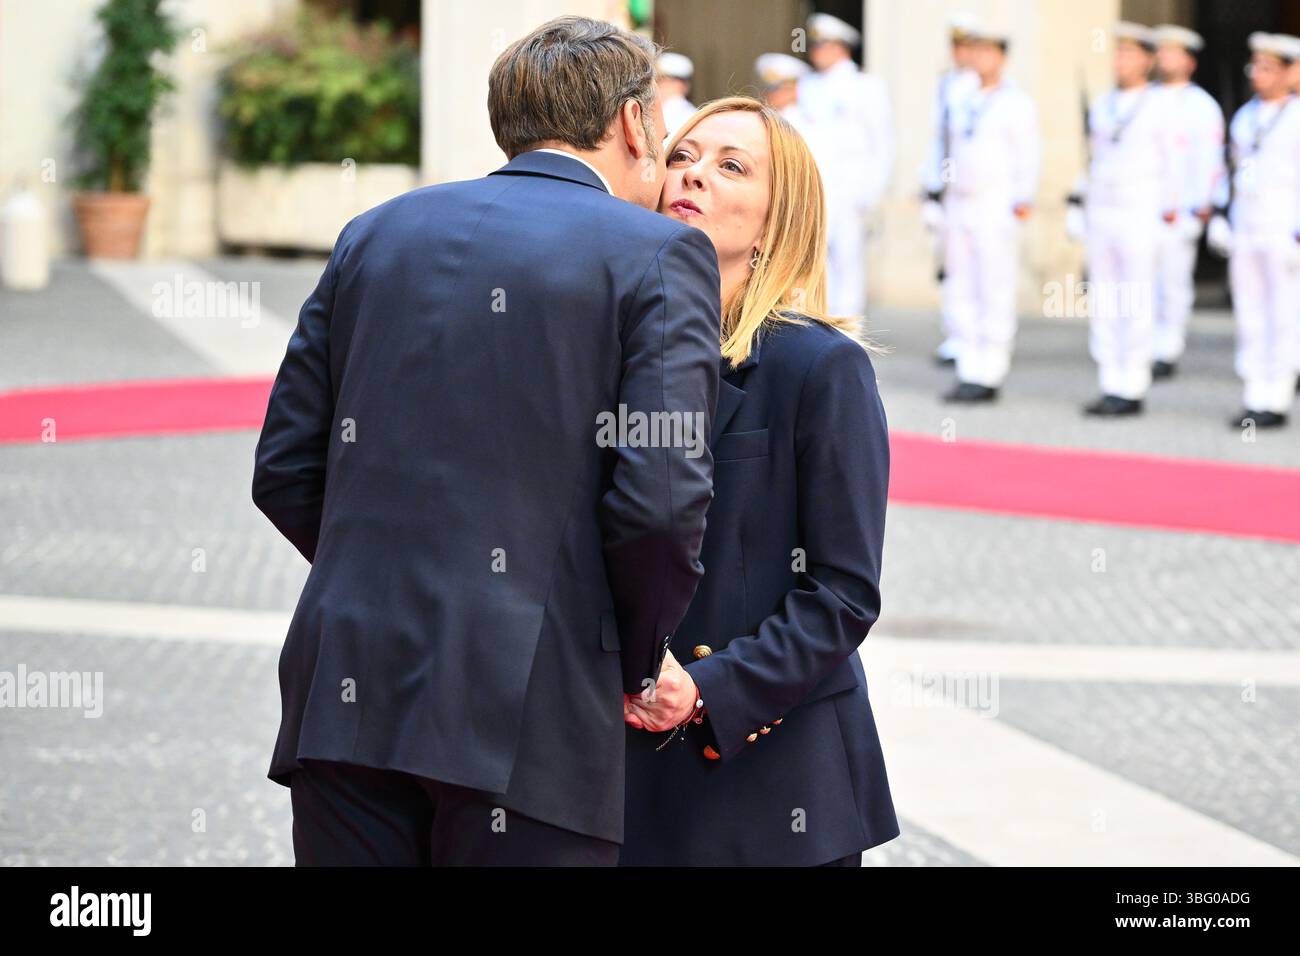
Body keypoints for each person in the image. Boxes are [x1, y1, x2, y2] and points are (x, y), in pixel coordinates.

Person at [252, 15, 722, 865]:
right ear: (632, 124)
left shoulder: (378, 232)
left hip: (348, 686)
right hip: (530, 713)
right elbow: (660, 499)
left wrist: (384, 570)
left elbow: (286, 466)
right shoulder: (658, 253)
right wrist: (631, 653)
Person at [619, 96, 900, 866]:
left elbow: (843, 591)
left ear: (778, 222)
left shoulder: (819, 367)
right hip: (614, 774)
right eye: (682, 156)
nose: (694, 173)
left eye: (730, 165)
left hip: (768, 782)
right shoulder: (610, 350)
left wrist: (710, 686)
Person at [1070, 21, 1177, 416]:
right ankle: (1109, 378)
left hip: (1139, 211)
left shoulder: (1162, 105)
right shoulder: (1104, 105)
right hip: (1103, 210)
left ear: (1148, 61)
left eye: (1130, 53)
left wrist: (1175, 216)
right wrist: (1077, 205)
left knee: (1134, 298)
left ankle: (1131, 383)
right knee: (1105, 298)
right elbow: (1092, 160)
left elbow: (1175, 166)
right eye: (1117, 52)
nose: (1121, 60)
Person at [936, 25, 1039, 403]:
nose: (980, 59)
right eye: (975, 51)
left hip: (995, 202)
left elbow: (1028, 157)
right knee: (960, 283)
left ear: (1002, 58)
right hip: (959, 201)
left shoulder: (1016, 102)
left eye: (988, 52)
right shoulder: (959, 94)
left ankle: (990, 369)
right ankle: (968, 363)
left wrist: (1022, 202)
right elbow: (943, 145)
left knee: (993, 285)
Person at [1207, 32, 1300, 428]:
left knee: (1284, 312)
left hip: (1285, 228)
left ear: (1291, 72)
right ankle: (1254, 390)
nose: (1257, 74)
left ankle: (1276, 396)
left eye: (1267, 67)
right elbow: (1229, 169)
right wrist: (1220, 214)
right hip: (1248, 225)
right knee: (1250, 312)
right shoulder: (1246, 116)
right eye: (1255, 66)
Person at [797, 12, 894, 316]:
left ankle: (849, 329)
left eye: (823, 44)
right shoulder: (807, 85)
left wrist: (872, 190)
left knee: (848, 260)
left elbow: (882, 142)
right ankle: (821, 322)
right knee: (814, 259)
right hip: (816, 184)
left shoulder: (866, 86)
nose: (816, 51)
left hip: (850, 185)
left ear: (841, 47)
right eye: (814, 45)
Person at [1150, 24, 1225, 380]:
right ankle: (1143, 343)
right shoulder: (1142, 100)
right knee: (1142, 283)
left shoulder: (1200, 106)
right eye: (1160, 51)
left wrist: (1203, 207)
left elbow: (1209, 160)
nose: (1164, 58)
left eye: (1172, 52)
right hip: (1140, 209)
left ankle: (1168, 346)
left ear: (1189, 61)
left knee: (1172, 281)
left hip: (1179, 211)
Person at [922, 12, 982, 366]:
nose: (961, 52)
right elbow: (937, 141)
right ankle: (956, 335)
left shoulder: (983, 88)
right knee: (951, 268)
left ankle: (975, 344)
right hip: (948, 190)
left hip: (975, 194)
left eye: (967, 45)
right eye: (957, 46)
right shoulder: (946, 83)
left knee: (976, 272)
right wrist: (930, 189)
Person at [755, 51, 810, 123]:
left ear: (794, 90)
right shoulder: (758, 120)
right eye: (768, 88)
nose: (771, 93)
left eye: (777, 88)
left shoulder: (808, 124)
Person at [657, 51, 696, 139]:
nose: (658, 85)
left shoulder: (690, 117)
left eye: (662, 80)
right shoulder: (654, 110)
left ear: (683, 85)